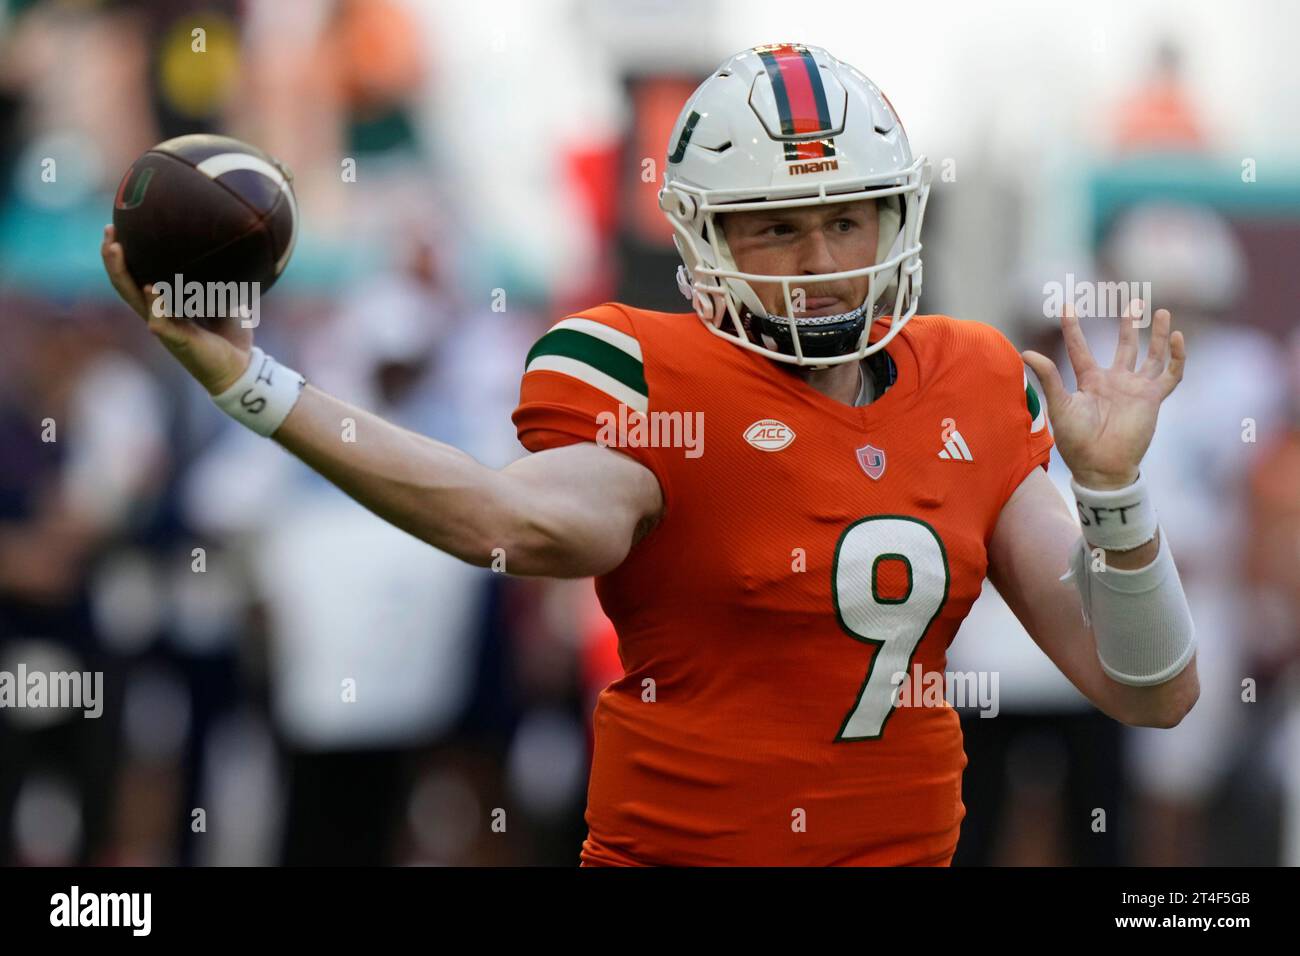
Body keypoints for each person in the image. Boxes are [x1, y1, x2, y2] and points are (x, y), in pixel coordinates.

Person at [101, 42, 1198, 867]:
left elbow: (1149, 688)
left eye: (847, 217)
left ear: (895, 220)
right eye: (774, 225)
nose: (818, 259)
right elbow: (511, 521)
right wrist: (255, 384)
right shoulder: (638, 367)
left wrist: (1111, 490)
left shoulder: (971, 378)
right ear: (703, 238)